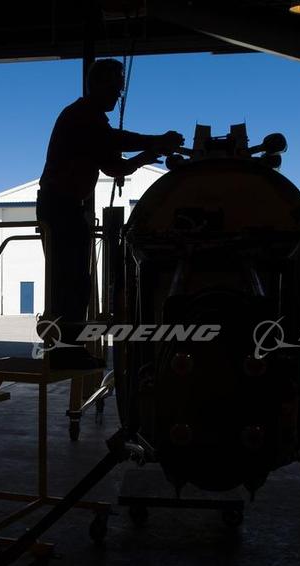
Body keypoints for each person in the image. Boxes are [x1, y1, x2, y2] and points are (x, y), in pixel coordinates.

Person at [37, 58, 183, 369]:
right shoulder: (82, 116)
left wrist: (149, 154)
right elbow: (116, 142)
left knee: (76, 281)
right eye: (115, 89)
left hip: (64, 207)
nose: (117, 97)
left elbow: (115, 166)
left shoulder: (86, 120)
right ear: (99, 85)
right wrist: (156, 141)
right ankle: (65, 351)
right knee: (71, 281)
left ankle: (68, 349)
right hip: (61, 208)